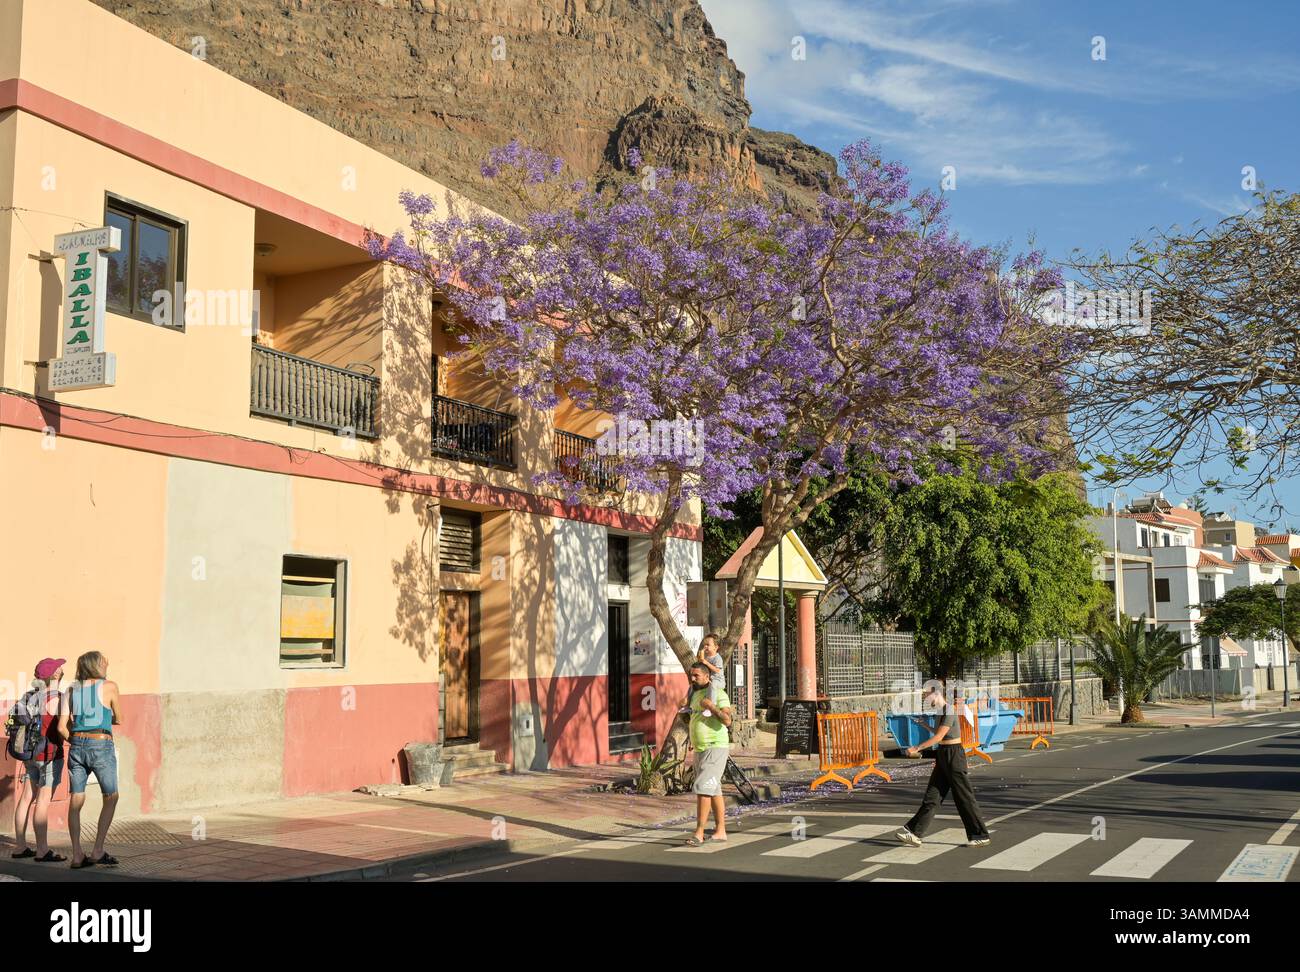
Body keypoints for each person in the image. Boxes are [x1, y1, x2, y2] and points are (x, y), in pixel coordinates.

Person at [895, 681, 991, 848]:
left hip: (954, 756)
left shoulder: (950, 710)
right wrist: (925, 725)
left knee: (964, 797)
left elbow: (939, 737)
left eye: (926, 693)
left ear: (937, 693)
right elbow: (940, 734)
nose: (925, 697)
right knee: (933, 795)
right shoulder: (940, 712)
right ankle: (915, 833)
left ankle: (980, 834)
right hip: (943, 755)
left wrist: (917, 747)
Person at [57, 651, 122, 869]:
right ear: (96, 665)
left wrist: (76, 739)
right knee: (111, 796)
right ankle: (97, 850)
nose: (107, 663)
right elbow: (119, 718)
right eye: (104, 661)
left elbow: (60, 727)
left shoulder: (70, 690)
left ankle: (77, 855)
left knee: (76, 801)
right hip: (101, 744)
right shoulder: (110, 686)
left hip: (77, 746)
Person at [10, 658, 67, 863]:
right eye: (59, 668)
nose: (62, 669)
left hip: (30, 755)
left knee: (26, 798)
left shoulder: (29, 696)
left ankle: (20, 846)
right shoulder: (57, 698)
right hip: (49, 755)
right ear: (55, 675)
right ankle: (42, 850)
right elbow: (61, 730)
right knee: (43, 801)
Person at [681, 662, 733, 846]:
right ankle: (720, 831)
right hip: (700, 748)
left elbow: (727, 720)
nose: (692, 678)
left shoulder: (719, 694)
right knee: (714, 789)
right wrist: (683, 710)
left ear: (706, 676)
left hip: (715, 747)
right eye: (691, 675)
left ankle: (699, 833)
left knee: (703, 788)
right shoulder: (693, 694)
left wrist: (712, 707)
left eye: (696, 675)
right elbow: (692, 718)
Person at [696, 633, 726, 705]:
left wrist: (706, 663)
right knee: (693, 684)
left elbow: (717, 670)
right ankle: (688, 704)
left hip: (718, 681)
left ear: (715, 647)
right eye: (704, 645)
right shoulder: (706, 657)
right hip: (708, 680)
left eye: (708, 645)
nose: (705, 647)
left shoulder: (717, 658)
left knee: (713, 684)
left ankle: (712, 705)